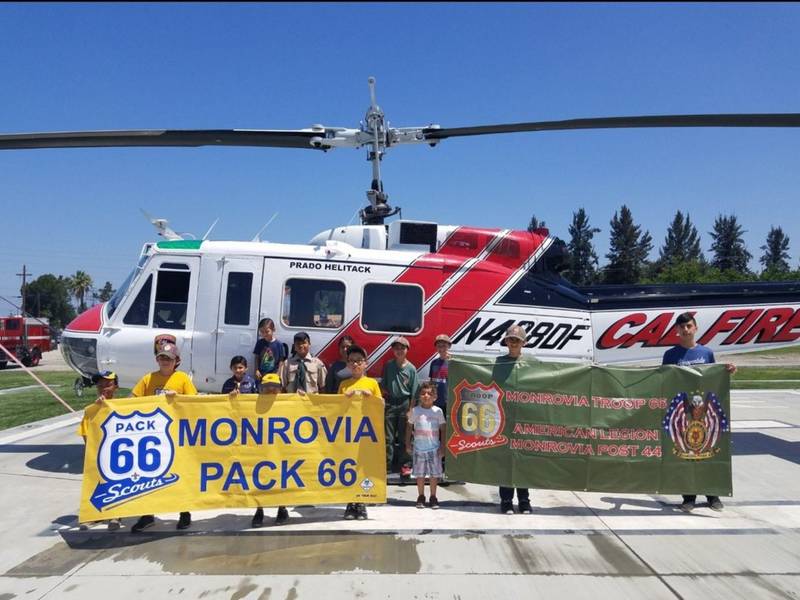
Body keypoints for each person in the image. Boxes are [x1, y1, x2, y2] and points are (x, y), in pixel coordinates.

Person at [662, 311, 737, 513]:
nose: (686, 330)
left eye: (689, 326)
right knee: (686, 453)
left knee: (708, 451)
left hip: (705, 411)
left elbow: (715, 376)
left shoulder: (706, 352)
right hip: (682, 413)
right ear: (676, 330)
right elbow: (663, 381)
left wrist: (727, 369)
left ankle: (712, 495)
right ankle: (689, 497)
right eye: (682, 327)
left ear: (695, 328)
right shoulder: (670, 355)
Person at [130, 337, 198, 533]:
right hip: (153, 436)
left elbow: (194, 404)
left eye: (168, 358)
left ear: (176, 360)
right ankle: (147, 514)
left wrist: (179, 399)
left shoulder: (183, 379)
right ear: (157, 359)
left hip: (176, 435)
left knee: (180, 474)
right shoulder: (148, 379)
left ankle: (184, 513)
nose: (164, 361)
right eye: (161, 357)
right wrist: (108, 405)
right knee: (149, 476)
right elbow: (132, 400)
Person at [338, 344, 382, 520]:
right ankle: (350, 502)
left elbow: (381, 405)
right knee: (349, 467)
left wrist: (370, 396)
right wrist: (344, 398)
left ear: (366, 363)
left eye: (359, 361)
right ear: (348, 364)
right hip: (348, 434)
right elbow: (335, 409)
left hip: (366, 434)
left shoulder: (372, 383)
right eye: (352, 361)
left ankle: (361, 502)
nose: (355, 364)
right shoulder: (343, 384)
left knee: (364, 468)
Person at [77, 370, 122, 531]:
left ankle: (115, 514)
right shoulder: (92, 409)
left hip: (119, 454)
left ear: (115, 386)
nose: (103, 387)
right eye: (100, 384)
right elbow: (85, 434)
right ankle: (95, 514)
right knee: (96, 482)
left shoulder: (123, 407)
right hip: (99, 453)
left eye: (108, 384)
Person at [494, 325, 532, 515]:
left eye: (517, 339)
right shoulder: (498, 363)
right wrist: (457, 361)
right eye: (511, 339)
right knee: (505, 462)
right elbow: (477, 370)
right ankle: (506, 501)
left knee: (523, 462)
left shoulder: (532, 365)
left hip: (525, 420)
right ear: (506, 342)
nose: (513, 342)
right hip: (503, 419)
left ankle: (524, 501)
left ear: (523, 343)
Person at [251, 373, 289, 527]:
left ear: (280, 389)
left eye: (274, 387)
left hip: (281, 449)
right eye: (266, 387)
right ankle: (259, 510)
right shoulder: (252, 403)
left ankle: (282, 508)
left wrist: (303, 399)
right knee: (258, 479)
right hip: (260, 449)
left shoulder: (289, 403)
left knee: (282, 478)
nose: (271, 390)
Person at [381, 337, 419, 478]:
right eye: (396, 348)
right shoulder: (388, 365)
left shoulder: (411, 369)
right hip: (391, 402)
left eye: (402, 348)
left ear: (407, 350)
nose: (399, 351)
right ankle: (387, 465)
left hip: (404, 403)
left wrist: (411, 409)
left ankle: (406, 465)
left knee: (405, 437)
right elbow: (384, 386)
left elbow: (414, 393)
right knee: (388, 437)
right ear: (392, 350)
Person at [405, 381, 446, 509]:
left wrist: (443, 446)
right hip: (419, 448)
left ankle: (433, 497)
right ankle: (421, 496)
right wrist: (407, 443)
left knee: (434, 475)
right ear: (419, 396)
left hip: (434, 448)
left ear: (435, 397)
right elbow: (409, 427)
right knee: (420, 474)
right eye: (423, 393)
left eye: (429, 394)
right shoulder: (415, 411)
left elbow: (443, 429)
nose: (426, 396)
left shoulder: (438, 411)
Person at [429, 334, 451, 414]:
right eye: (439, 346)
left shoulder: (452, 363)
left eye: (444, 346)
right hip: (435, 400)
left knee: (445, 424)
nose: (441, 348)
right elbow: (431, 382)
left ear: (449, 346)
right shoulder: (434, 363)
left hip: (447, 402)